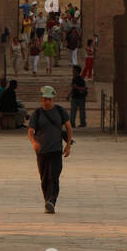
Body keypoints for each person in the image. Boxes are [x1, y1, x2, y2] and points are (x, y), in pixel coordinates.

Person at [28, 85, 73, 213]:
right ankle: (47, 201)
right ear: (42, 99)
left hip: (56, 150)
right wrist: (33, 142)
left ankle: (52, 201)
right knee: (44, 178)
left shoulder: (60, 111)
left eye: (49, 99)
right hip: (42, 151)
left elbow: (69, 128)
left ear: (53, 99)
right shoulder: (37, 114)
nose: (47, 101)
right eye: (45, 99)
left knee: (53, 176)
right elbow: (31, 131)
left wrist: (68, 145)